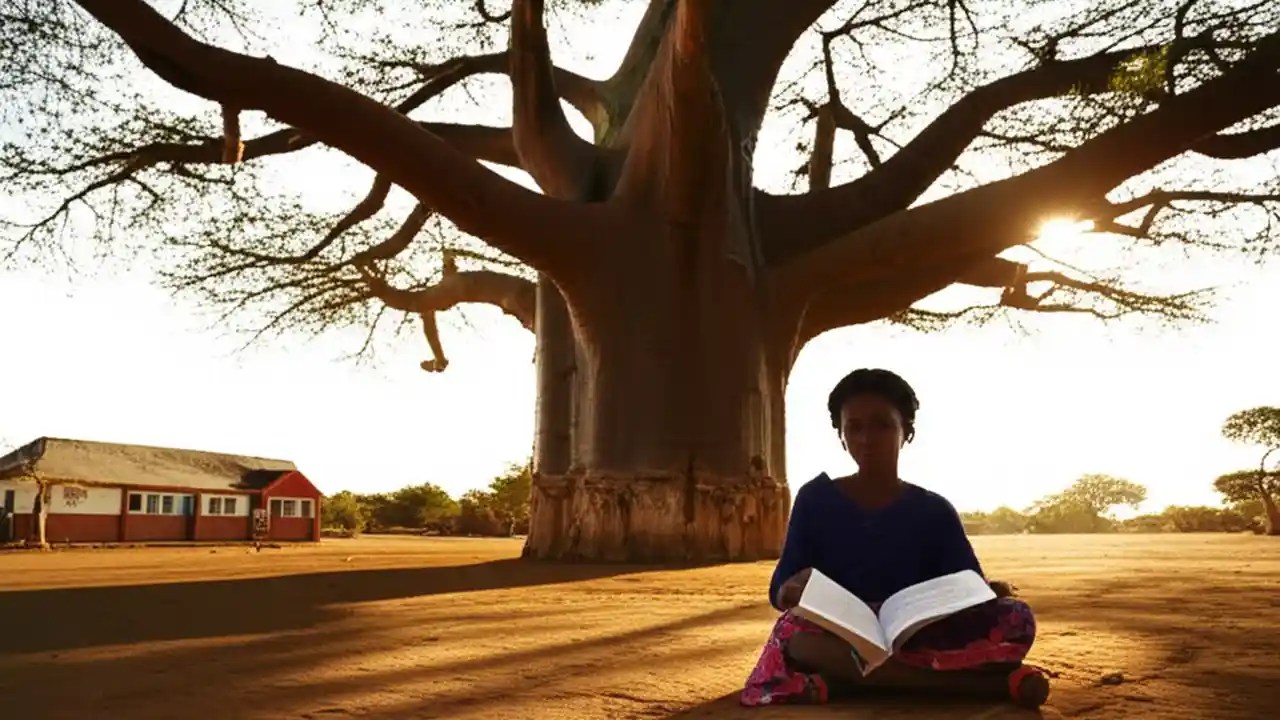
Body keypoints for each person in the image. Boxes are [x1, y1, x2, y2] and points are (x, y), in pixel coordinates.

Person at [740, 368, 1050, 708]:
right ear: (840, 436)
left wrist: (986, 592)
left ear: (907, 432)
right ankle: (980, 687)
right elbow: (780, 588)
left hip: (916, 636)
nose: (866, 438)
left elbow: (967, 584)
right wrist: (791, 589)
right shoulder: (816, 499)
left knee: (1015, 618)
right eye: (854, 427)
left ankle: (854, 683)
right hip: (840, 638)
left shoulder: (934, 510)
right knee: (795, 635)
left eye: (882, 425)